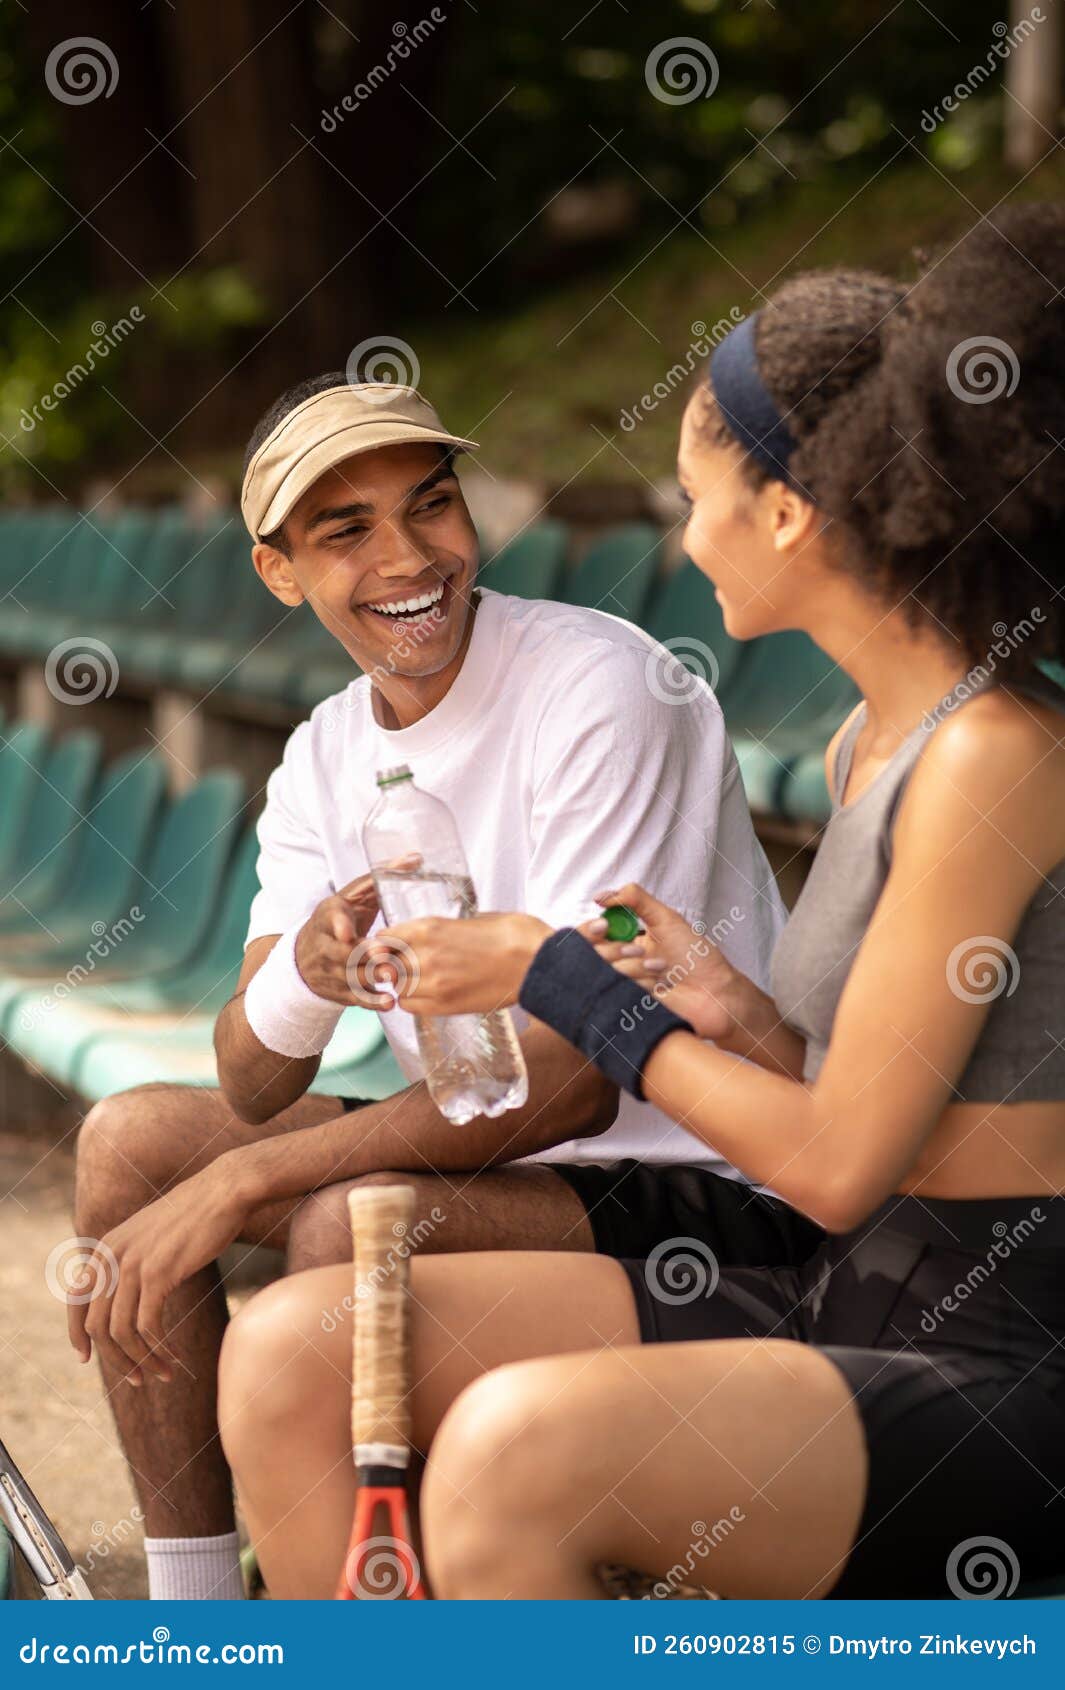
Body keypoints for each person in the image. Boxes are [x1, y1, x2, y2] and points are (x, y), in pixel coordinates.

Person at [219, 205, 1065, 1600]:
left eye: (696, 498)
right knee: (290, 1353)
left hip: (998, 1355)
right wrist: (738, 1016)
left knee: (510, 1449)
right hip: (846, 1279)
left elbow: (842, 1163)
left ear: (787, 513)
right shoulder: (872, 739)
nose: (683, 538)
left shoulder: (991, 754)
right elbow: (871, 1110)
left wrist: (561, 978)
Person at [67, 378, 784, 1599]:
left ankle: (369, 1598)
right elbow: (249, 1078)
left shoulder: (598, 687)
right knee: (133, 1145)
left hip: (701, 1170)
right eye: (347, 530)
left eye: (432, 506)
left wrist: (247, 1175)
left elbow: (569, 1089)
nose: (409, 556)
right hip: (488, 1154)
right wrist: (304, 975)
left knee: (337, 1223)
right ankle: (197, 1613)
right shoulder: (323, 754)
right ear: (280, 570)